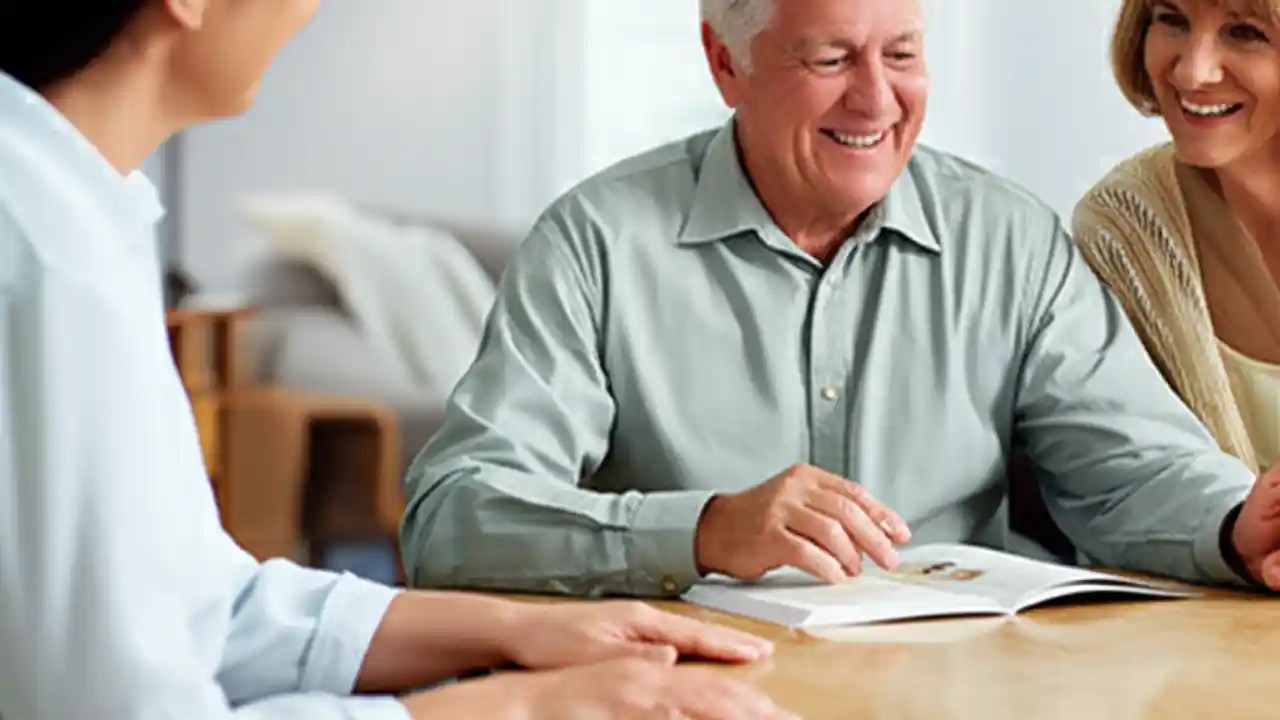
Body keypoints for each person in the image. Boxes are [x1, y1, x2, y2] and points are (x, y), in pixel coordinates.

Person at [0, 2, 794, 719]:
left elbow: (203, 611)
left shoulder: (77, 215)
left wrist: (522, 629)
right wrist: (521, 711)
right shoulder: (43, 256)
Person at [401, 0, 1280, 598]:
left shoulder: (1010, 241)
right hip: (689, 688)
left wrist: (1238, 523)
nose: (875, 97)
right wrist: (700, 530)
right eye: (830, 58)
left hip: (962, 687)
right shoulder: (597, 243)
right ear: (724, 64)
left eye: (901, 55)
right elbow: (455, 517)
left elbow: (1130, 468)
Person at [1074, 1, 1280, 478]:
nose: (1193, 72)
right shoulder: (1124, 229)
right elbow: (1123, 482)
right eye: (1173, 21)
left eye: (1246, 33)